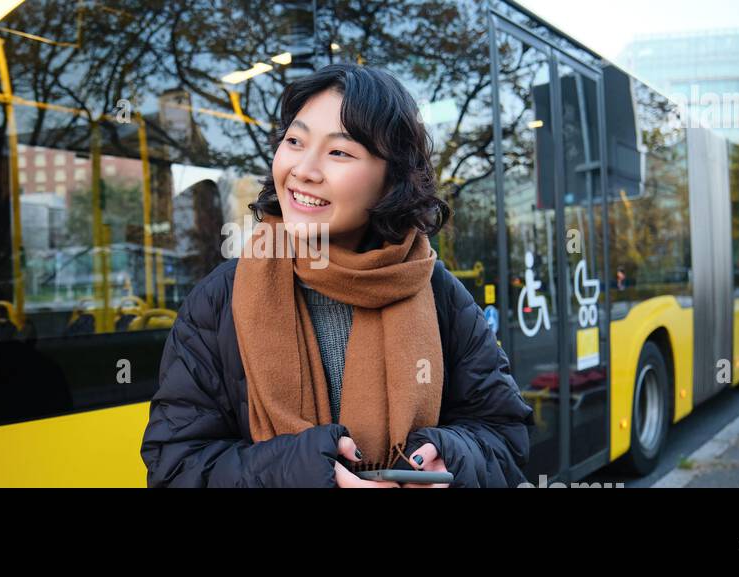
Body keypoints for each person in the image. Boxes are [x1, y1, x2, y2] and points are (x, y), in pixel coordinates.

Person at [140, 64, 534, 488]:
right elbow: (175, 466)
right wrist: (306, 471)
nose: (304, 170)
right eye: (294, 141)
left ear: (392, 179)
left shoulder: (440, 294)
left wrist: (451, 459)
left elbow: (503, 434)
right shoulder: (219, 299)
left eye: (339, 152)